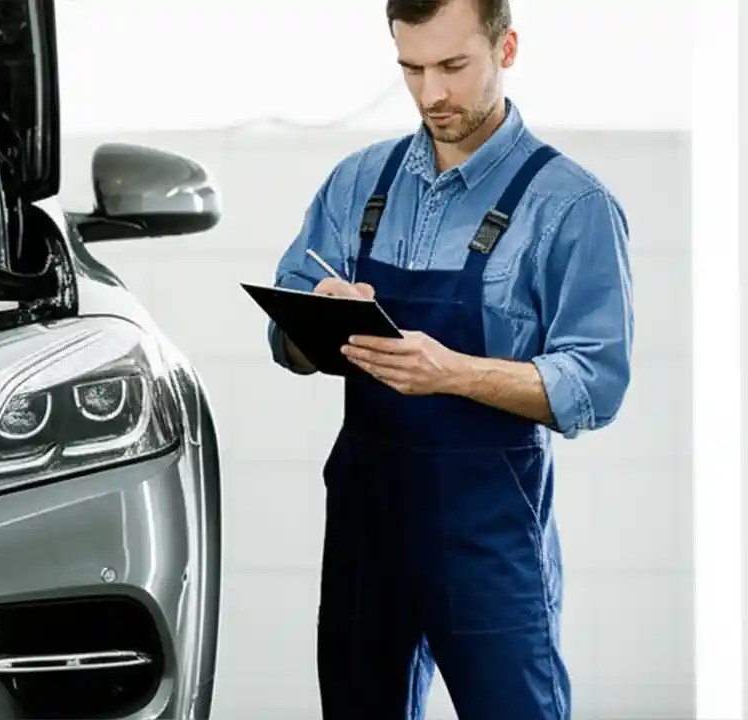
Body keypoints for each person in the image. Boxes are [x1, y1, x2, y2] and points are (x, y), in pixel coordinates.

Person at [265, 0, 634, 718]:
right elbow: (286, 342)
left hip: (487, 538)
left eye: (452, 67)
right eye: (411, 68)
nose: (431, 94)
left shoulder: (571, 204)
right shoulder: (357, 183)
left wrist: (455, 372)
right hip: (366, 522)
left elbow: (596, 383)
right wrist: (321, 321)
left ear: (508, 49)